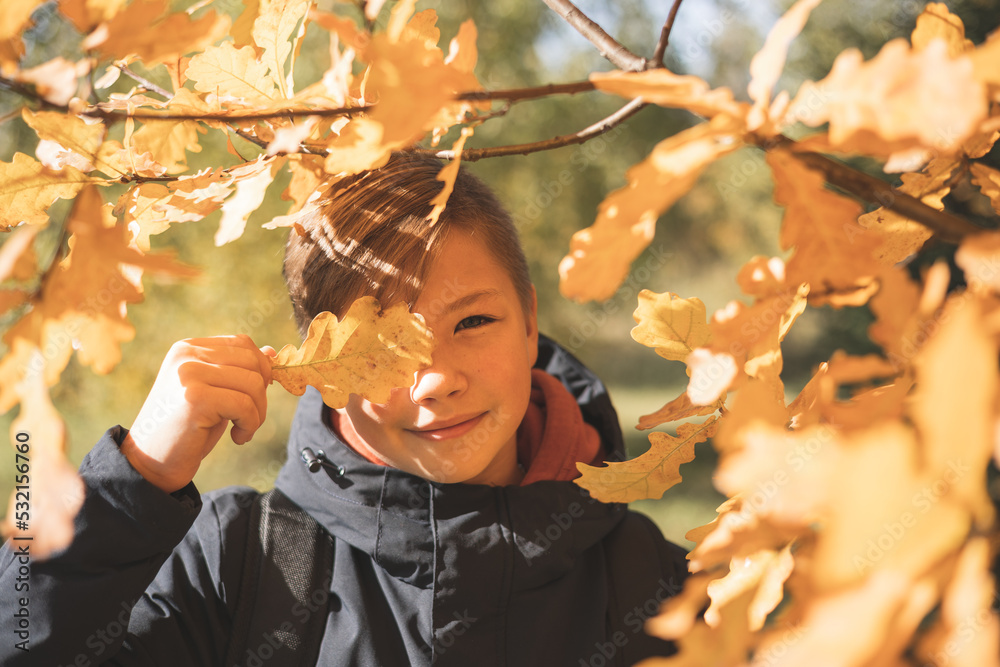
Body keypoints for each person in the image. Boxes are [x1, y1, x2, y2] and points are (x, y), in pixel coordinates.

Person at [0, 152, 688, 666]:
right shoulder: (236, 564)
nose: (434, 380)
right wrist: (131, 484)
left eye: (472, 321)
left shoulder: (661, 585)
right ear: (321, 365)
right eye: (383, 344)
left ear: (531, 321)